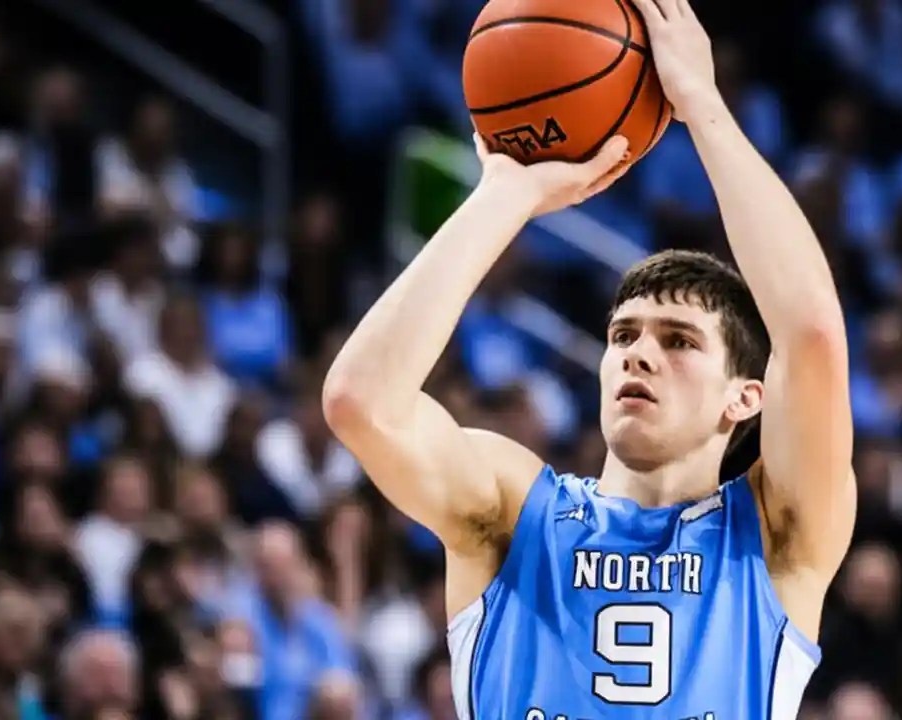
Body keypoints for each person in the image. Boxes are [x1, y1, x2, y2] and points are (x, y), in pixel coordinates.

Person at [322, 0, 856, 716]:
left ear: (745, 397)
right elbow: (361, 401)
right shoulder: (516, 511)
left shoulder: (772, 535)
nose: (639, 355)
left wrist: (704, 109)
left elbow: (813, 335)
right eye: (623, 336)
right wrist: (505, 195)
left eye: (679, 341)